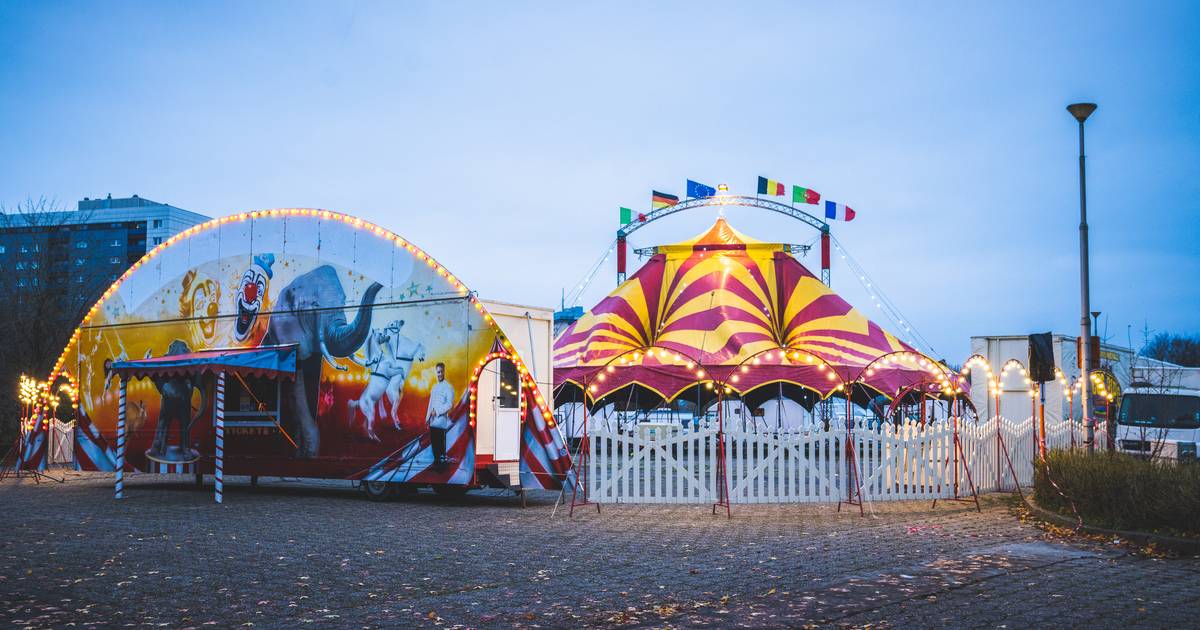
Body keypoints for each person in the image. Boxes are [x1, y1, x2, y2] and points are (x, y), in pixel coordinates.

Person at [425, 362, 455, 467]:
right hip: (433, 421)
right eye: (438, 372)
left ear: (444, 371)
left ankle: (440, 465)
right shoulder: (434, 387)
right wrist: (427, 418)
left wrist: (437, 411)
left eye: (441, 371)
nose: (440, 374)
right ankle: (436, 463)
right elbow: (430, 403)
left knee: (440, 445)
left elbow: (449, 404)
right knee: (434, 445)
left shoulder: (448, 387)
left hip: (441, 421)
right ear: (436, 373)